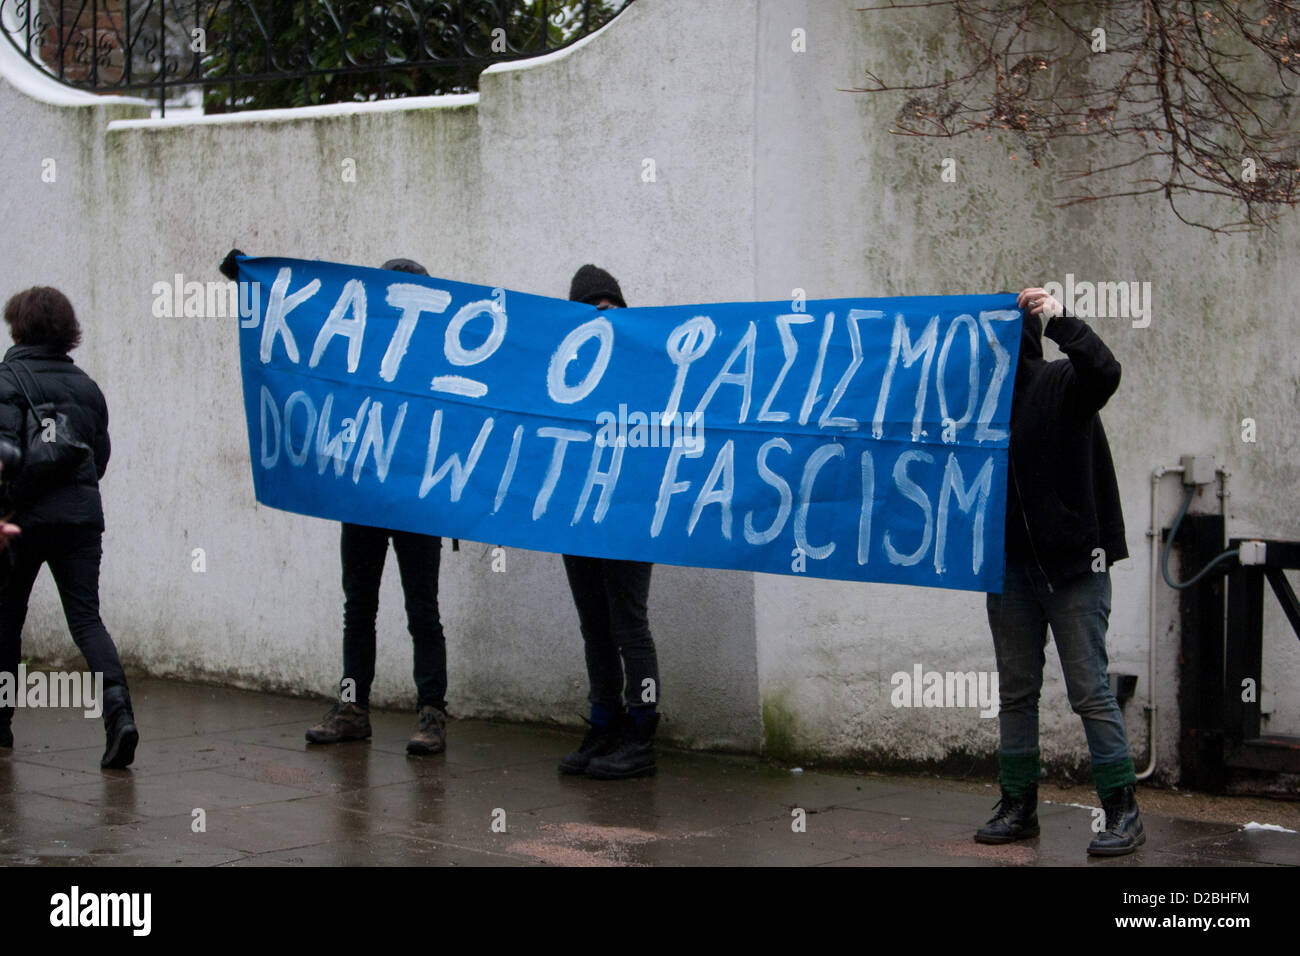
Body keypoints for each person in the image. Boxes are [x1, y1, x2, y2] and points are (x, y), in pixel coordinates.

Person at [975, 285, 1143, 856]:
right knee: (1016, 693)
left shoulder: (1059, 384)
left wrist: (1059, 318)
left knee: (1090, 692)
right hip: (1010, 572)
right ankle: (1018, 806)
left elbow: (1104, 370)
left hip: (1074, 569)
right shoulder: (979, 408)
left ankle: (1122, 810)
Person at [299, 258, 453, 755]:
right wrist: (254, 285)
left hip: (416, 502)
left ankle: (431, 713)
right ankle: (352, 709)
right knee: (359, 608)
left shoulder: (439, 362)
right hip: (364, 498)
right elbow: (304, 341)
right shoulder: (359, 354)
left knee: (421, 611)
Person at [0, 286, 138, 769]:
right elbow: (97, 459)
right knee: (86, 620)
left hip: (21, 520)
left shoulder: (7, 378)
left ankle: (1, 724)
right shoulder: (86, 386)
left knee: (7, 618)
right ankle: (119, 716)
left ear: (19, 325)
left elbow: (5, 456)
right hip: (80, 520)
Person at [556, 265, 662, 780]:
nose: (600, 317)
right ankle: (605, 722)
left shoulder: (644, 364)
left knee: (629, 626)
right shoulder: (565, 368)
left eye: (608, 306)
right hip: (577, 515)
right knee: (594, 626)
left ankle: (642, 733)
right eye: (588, 309)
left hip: (628, 514)